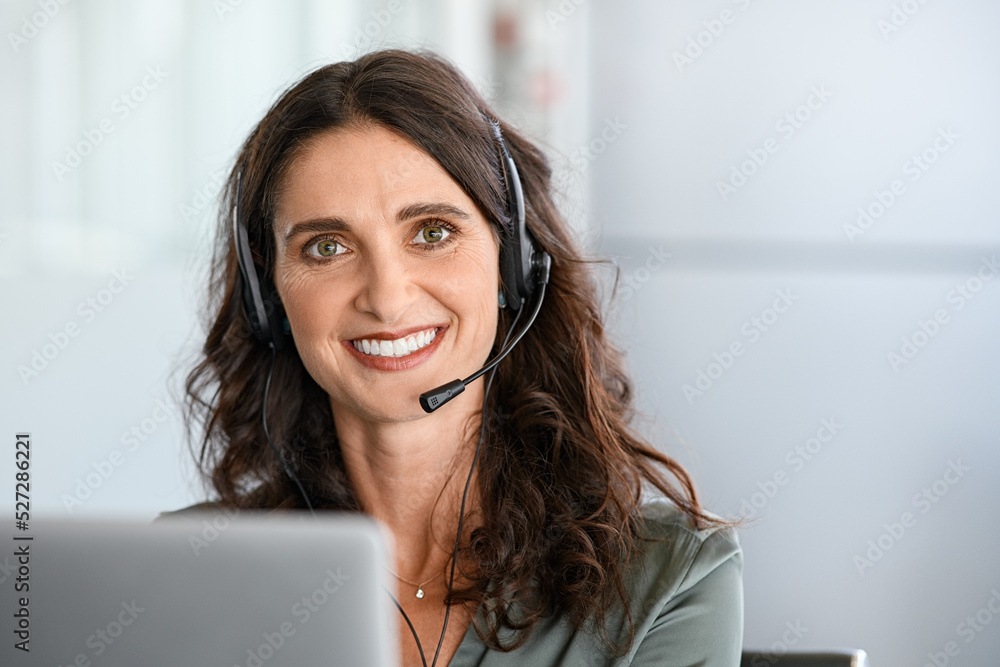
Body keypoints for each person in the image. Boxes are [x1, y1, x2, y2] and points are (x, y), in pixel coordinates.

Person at [168, 48, 743, 666]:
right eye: (328, 246)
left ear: (513, 266)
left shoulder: (666, 577)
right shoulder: (191, 568)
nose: (387, 299)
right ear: (269, 294)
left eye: (433, 232)